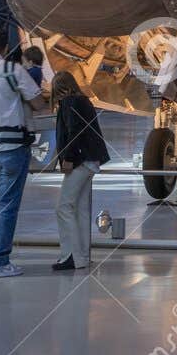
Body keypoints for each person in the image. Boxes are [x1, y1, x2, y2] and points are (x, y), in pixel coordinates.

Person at [0, 28, 49, 278]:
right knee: (7, 205)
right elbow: (38, 103)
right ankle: (0, 262)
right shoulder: (12, 71)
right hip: (13, 146)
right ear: (5, 49)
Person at [51, 74, 109, 271]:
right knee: (81, 209)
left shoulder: (69, 102)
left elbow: (74, 131)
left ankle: (71, 256)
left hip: (80, 160)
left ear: (58, 88)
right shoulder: (83, 100)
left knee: (64, 207)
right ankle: (82, 256)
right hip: (91, 159)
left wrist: (68, 158)